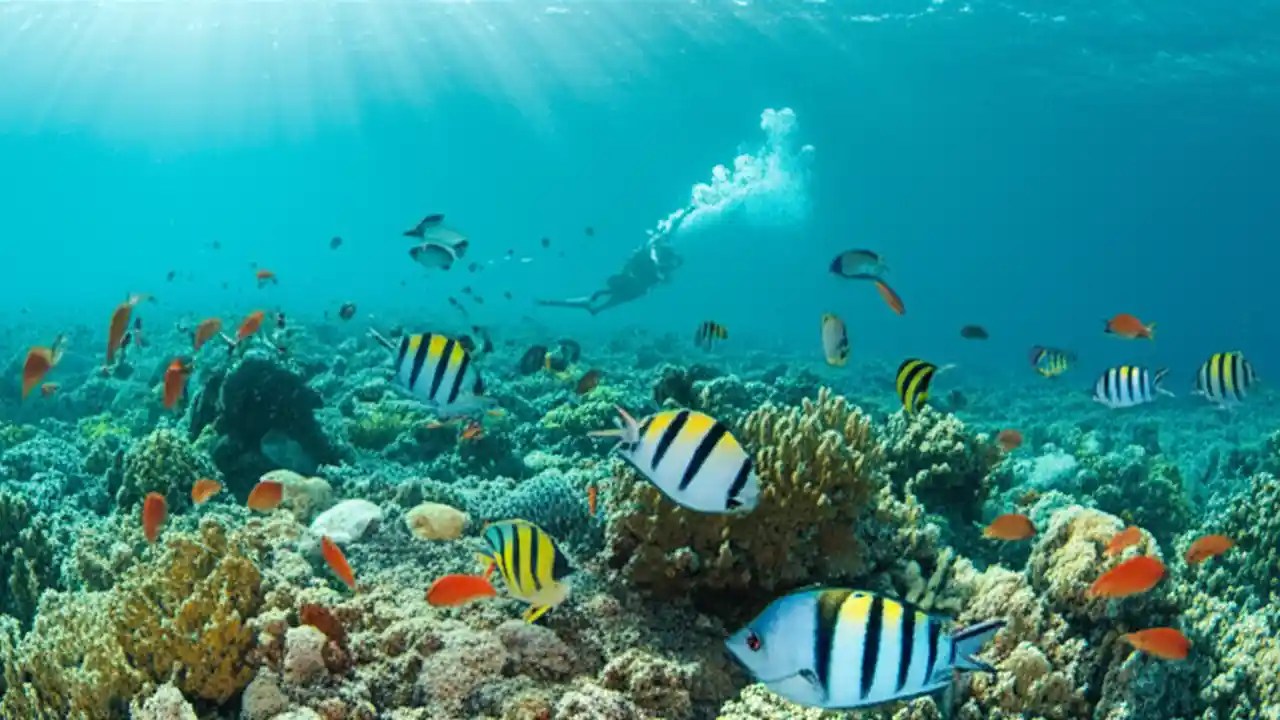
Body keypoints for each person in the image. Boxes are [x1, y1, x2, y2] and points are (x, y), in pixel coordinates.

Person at [537, 209, 690, 315]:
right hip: (629, 283)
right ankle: (559, 303)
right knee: (600, 300)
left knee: (600, 301)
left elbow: (659, 276)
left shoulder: (662, 261)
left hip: (633, 286)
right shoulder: (655, 247)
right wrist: (687, 211)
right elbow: (652, 252)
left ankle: (558, 303)